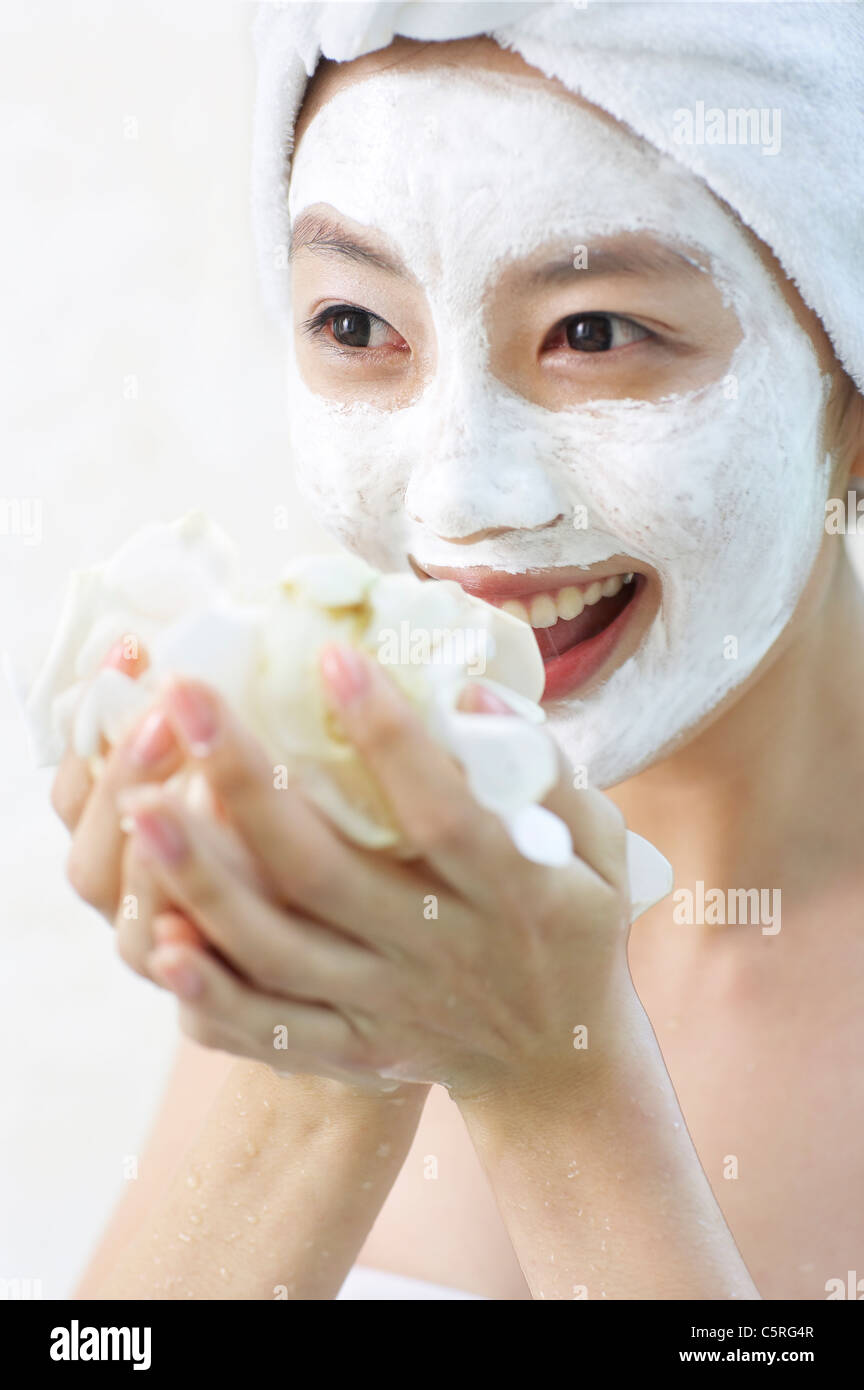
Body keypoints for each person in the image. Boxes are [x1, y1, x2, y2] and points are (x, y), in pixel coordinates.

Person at [53, 8, 864, 1301]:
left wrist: (556, 1078)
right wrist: (327, 1059)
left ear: (848, 382)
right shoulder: (352, 876)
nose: (457, 502)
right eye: (359, 328)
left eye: (592, 331)